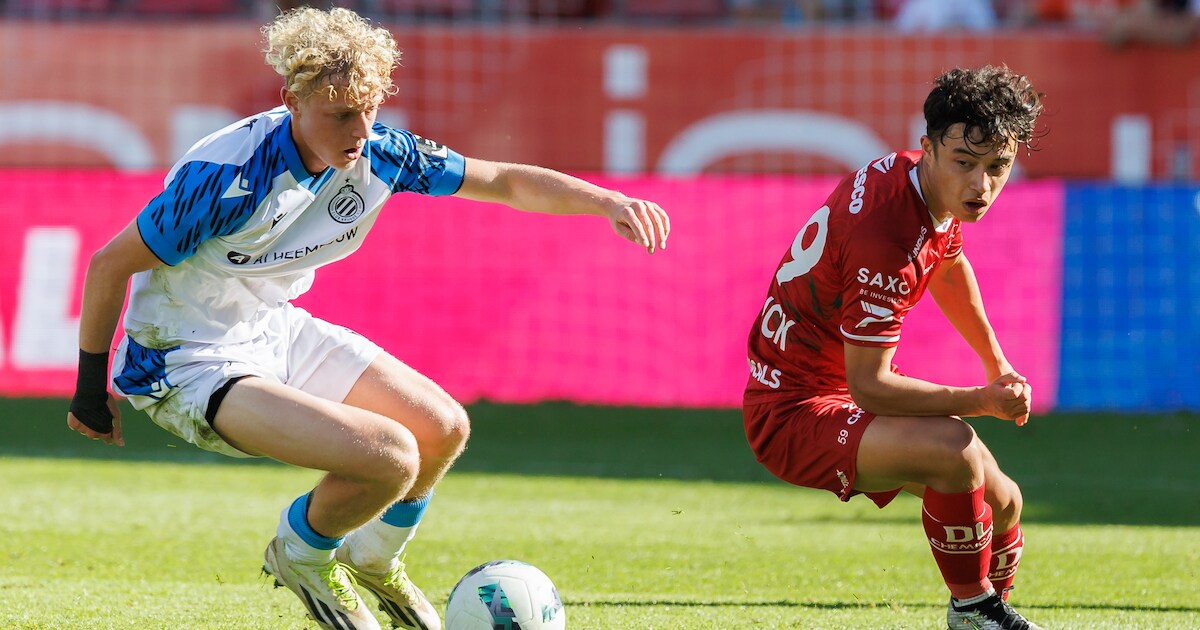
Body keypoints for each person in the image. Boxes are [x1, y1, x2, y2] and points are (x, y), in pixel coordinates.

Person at [65, 7, 669, 630]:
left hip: (271, 326)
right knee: (390, 456)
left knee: (442, 430)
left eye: (369, 109)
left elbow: (504, 182)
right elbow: (109, 265)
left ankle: (374, 560)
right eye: (339, 114)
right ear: (292, 101)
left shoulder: (382, 152)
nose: (359, 130)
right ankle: (302, 556)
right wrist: (89, 389)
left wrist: (608, 202)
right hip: (180, 358)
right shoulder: (226, 178)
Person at [743, 65, 1044, 630]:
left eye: (997, 167)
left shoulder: (918, 183)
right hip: (791, 412)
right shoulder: (886, 236)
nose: (981, 185)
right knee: (953, 448)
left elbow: (950, 265)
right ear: (929, 148)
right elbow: (870, 385)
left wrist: (997, 363)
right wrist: (980, 400)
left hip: (834, 393)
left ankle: (988, 612)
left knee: (1004, 502)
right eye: (965, 164)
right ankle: (972, 609)